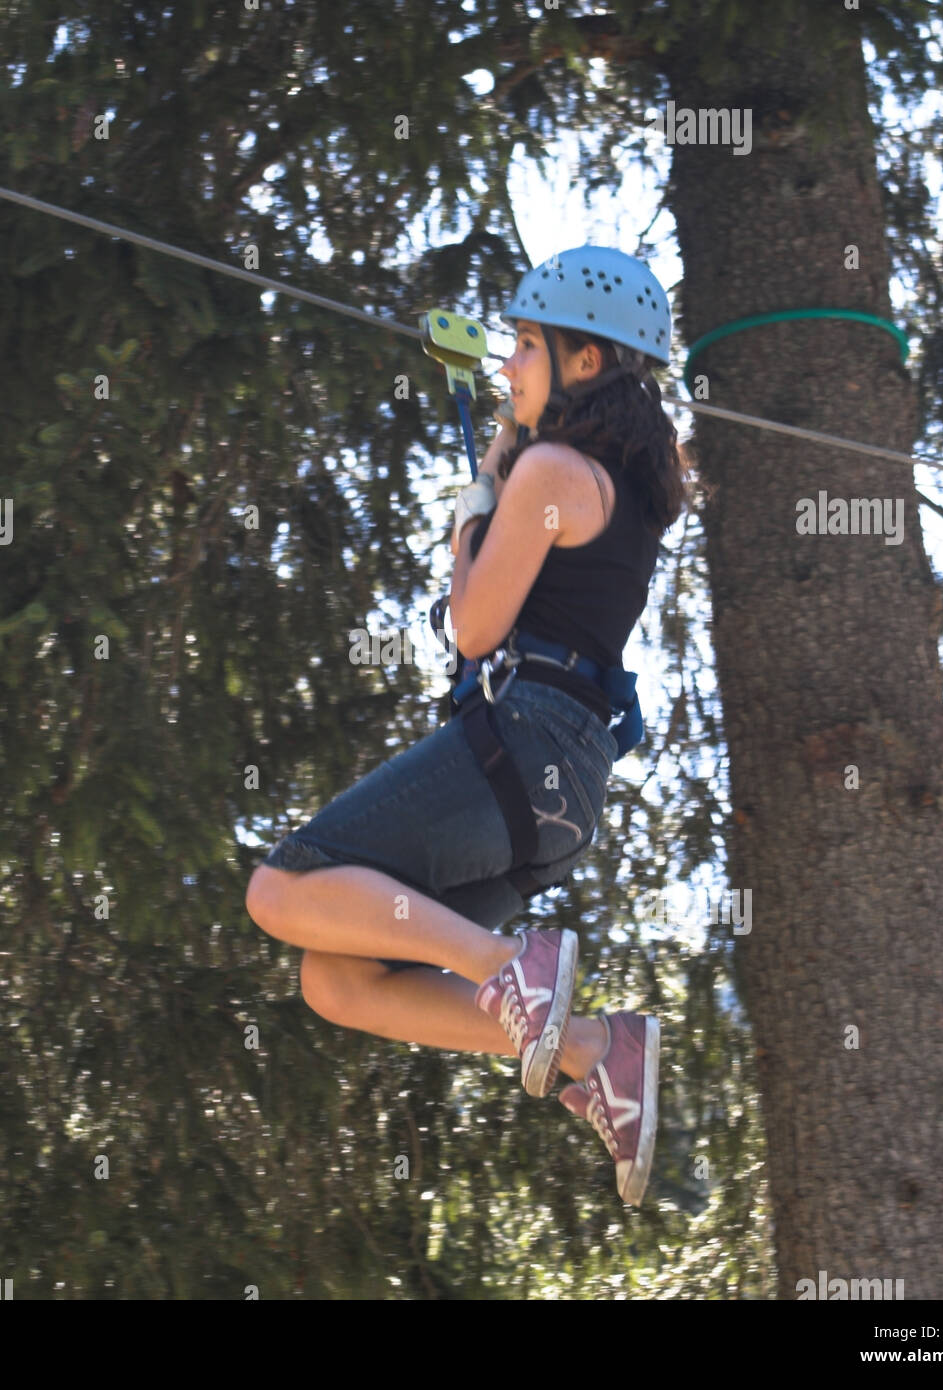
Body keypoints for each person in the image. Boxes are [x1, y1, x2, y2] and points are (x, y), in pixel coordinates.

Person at [246, 245, 692, 1205]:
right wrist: (499, 443)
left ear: (585, 361)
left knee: (280, 890)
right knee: (336, 981)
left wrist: (473, 506)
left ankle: (511, 964)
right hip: (560, 792)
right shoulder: (619, 485)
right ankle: (592, 1048)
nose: (508, 364)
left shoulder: (551, 468)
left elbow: (473, 628)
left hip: (523, 745)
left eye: (527, 345)